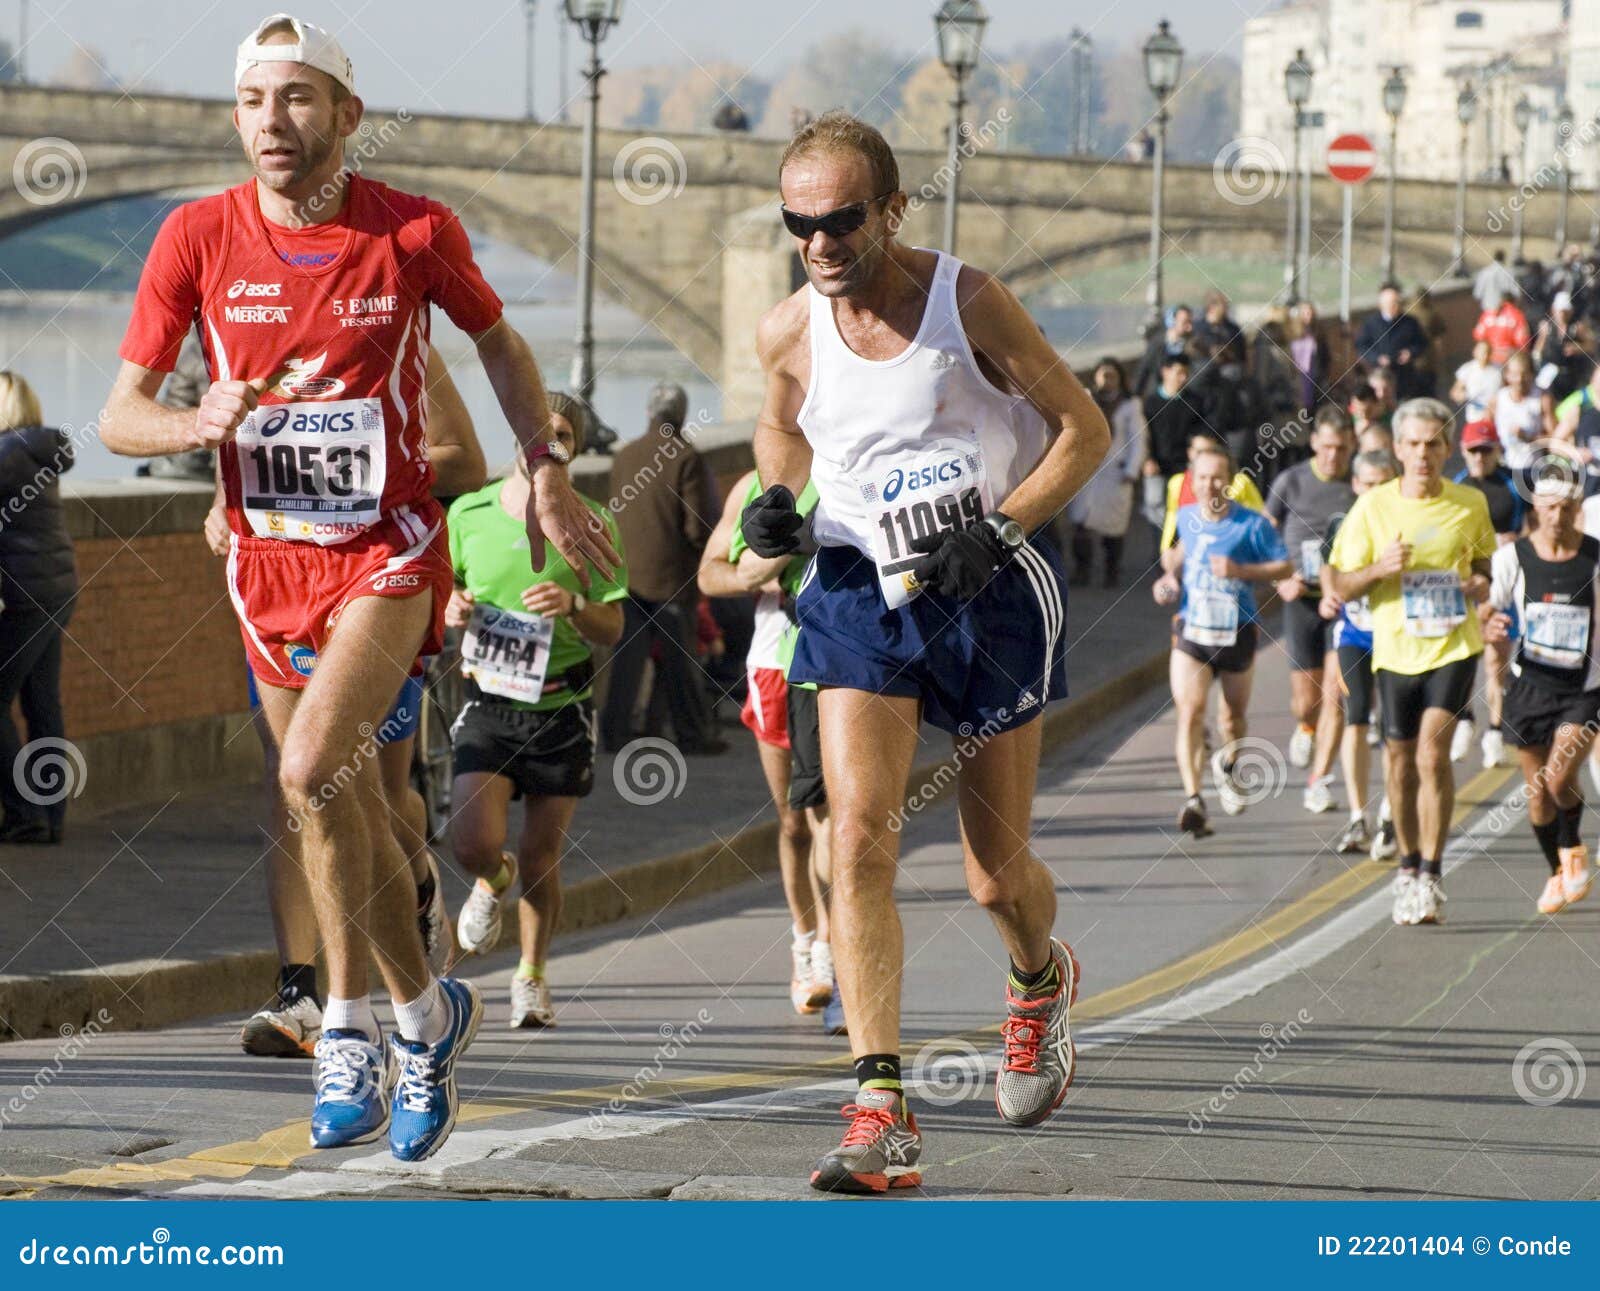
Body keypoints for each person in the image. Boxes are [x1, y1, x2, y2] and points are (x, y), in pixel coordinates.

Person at [100, 14, 618, 1163]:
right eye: (252, 102)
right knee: (331, 805)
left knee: (308, 769)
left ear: (344, 113)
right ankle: (427, 1015)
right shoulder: (194, 238)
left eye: (296, 99)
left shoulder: (412, 230)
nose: (272, 124)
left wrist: (542, 465)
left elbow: (498, 343)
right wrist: (194, 419)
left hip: (383, 550)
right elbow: (116, 416)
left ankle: (344, 1024)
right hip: (264, 560)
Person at [740, 110, 1110, 1193]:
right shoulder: (788, 328)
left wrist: (998, 527)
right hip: (858, 589)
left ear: (892, 210)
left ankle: (1038, 979)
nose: (818, 243)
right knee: (854, 836)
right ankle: (879, 1108)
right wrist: (775, 498)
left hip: (988, 587)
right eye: (797, 223)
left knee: (993, 878)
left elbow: (1080, 430)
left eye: (840, 220)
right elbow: (779, 423)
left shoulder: (968, 301)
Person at [222, 348, 483, 1056]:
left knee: (375, 796)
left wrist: (360, 474)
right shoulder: (253, 342)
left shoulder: (400, 339)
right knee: (293, 783)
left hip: (372, 589)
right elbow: (237, 472)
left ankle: (417, 875)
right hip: (279, 589)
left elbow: (464, 460)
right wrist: (224, 509)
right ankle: (301, 990)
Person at [446, 393, 627, 1029]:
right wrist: (453, 610)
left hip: (562, 708)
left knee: (543, 853)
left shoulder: (595, 524)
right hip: (490, 703)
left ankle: (531, 975)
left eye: (561, 435)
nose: (546, 443)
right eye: (536, 431)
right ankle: (493, 879)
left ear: (574, 448)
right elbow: (445, 596)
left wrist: (575, 607)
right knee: (472, 843)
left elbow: (614, 625)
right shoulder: (467, 515)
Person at [1327, 399, 1496, 928]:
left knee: (1431, 754)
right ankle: (1406, 867)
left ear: (1447, 449)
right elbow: (1336, 581)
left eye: (1434, 444)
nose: (1424, 454)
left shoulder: (1470, 504)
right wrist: (1380, 567)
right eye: (1415, 444)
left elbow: (1485, 566)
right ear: (1397, 449)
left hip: (1453, 645)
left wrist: (1479, 584)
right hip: (1395, 649)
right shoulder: (1373, 507)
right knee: (1398, 761)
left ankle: (1431, 872)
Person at [699, 471, 837, 1019]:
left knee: (828, 814)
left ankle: (829, 948)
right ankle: (803, 941)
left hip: (831, 665)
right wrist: (762, 567)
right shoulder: (755, 485)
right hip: (771, 666)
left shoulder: (847, 460)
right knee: (792, 822)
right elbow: (710, 574)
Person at [1152, 443, 1292, 837]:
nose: (1210, 485)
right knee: (1191, 711)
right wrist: (1168, 580)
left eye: (1218, 478)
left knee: (1232, 718)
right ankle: (1194, 798)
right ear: (1192, 482)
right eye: (1202, 478)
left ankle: (1230, 766)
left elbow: (1284, 565)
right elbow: (1178, 557)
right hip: (1193, 633)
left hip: (1237, 631)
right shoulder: (1186, 517)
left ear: (1230, 482)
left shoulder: (1251, 525)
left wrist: (1239, 569)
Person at [1484, 472, 1597, 915]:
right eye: (1550, 507)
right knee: (1537, 793)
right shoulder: (1513, 557)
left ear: (1578, 509)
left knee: (1558, 776)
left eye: (1567, 507)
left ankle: (1573, 848)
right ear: (1536, 509)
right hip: (1528, 684)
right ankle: (1556, 870)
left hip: (1584, 689)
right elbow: (1490, 610)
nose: (1558, 515)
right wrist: (1489, 625)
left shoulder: (1595, 556)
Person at [600, 382, 725, 756]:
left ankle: (614, 732)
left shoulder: (624, 455)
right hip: (671, 580)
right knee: (680, 661)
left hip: (628, 575)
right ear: (682, 415)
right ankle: (692, 735)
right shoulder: (686, 456)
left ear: (649, 413)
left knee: (628, 661)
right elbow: (696, 525)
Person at [0, 372, 79, 845]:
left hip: (27, 596)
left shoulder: (7, 453)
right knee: (42, 700)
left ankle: (25, 812)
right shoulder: (35, 452)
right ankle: (51, 814)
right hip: (57, 590)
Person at [1263, 408, 1356, 802]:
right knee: (1307, 701)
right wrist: (1279, 578)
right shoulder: (1292, 480)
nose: (1333, 456)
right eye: (1327, 447)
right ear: (1315, 442)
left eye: (1341, 448)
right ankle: (1306, 727)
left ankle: (1318, 781)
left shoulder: (1357, 485)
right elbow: (1263, 531)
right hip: (1301, 600)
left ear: (1350, 445)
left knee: (1335, 694)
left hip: (1340, 603)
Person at [1316, 449, 1400, 859]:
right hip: (1355, 632)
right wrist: (1329, 596)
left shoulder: (1403, 522)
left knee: (1394, 726)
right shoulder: (1342, 523)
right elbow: (1328, 566)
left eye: (1382, 483)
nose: (1373, 491)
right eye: (1367, 483)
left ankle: (1390, 810)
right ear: (1355, 485)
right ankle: (1357, 816)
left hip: (1397, 635)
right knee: (1356, 713)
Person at [1451, 420, 1525, 771]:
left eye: (1486, 450)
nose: (1479, 457)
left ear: (1497, 450)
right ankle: (1465, 718)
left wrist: (1516, 541)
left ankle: (1494, 730)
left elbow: (1532, 526)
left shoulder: (1513, 484)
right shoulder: (1457, 487)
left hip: (1505, 579)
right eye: (1473, 451)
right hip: (1470, 581)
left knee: (1496, 659)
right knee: (1465, 653)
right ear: (1463, 452)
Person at [1065, 357, 1146, 587]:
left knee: (1113, 528)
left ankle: (1112, 571)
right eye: (1103, 375)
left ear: (1120, 378)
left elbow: (1137, 440)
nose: (1107, 380)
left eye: (1112, 375)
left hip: (1115, 473)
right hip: (1088, 471)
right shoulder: (1086, 400)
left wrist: (1132, 468)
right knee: (1080, 523)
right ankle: (1083, 570)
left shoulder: (1130, 405)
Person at [1158, 428, 1266, 552]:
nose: (1203, 456)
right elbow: (1172, 521)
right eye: (1198, 451)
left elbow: (1259, 518)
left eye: (1209, 451)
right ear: (1189, 452)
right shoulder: (1177, 483)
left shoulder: (1240, 482)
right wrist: (1166, 550)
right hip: (1190, 554)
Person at [1354, 283, 1428, 398]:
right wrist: (1377, 358)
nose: (1393, 306)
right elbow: (1362, 346)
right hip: (1379, 376)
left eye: (1396, 303)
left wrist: (1410, 353)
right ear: (1381, 304)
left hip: (1404, 377)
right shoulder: (1371, 323)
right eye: (1389, 303)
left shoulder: (1410, 322)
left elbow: (1422, 343)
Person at [1489, 351, 1543, 469]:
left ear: (1531, 374)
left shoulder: (1542, 399)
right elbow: (1486, 431)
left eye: (1524, 374)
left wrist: (1528, 438)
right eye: (1514, 374)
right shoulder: (1497, 399)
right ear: (1506, 375)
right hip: (1505, 467)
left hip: (1535, 468)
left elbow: (1556, 440)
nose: (1519, 379)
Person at [1133, 304, 1193, 398]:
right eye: (1185, 322)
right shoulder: (1157, 343)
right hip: (1157, 397)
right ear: (1172, 321)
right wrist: (1136, 395)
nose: (1189, 327)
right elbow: (1144, 369)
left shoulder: (1193, 345)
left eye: (1190, 322)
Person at [1288, 300, 1330, 418]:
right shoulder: (1294, 334)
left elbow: (1325, 356)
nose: (1309, 316)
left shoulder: (1318, 333)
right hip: (1300, 377)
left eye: (1311, 313)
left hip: (1317, 377)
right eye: (1306, 313)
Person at [1473, 290, 1531, 366]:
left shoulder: (1488, 313)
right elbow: (1522, 341)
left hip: (1489, 357)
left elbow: (1478, 335)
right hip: (1509, 359)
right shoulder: (1517, 315)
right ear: (1514, 301)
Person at [1450, 338, 1501, 424]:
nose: (1484, 356)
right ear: (1475, 352)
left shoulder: (1499, 369)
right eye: (1482, 352)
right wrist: (1463, 395)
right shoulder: (1467, 369)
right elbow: (1455, 392)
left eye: (1487, 352)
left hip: (1496, 416)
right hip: (1475, 417)